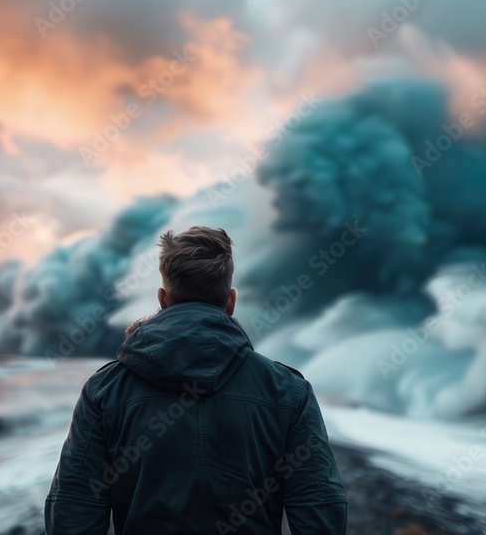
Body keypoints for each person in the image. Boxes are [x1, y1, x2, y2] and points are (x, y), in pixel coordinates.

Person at [45, 226, 347, 534]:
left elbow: (73, 511)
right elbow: (320, 515)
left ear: (163, 299)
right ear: (231, 301)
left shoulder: (105, 390)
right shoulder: (288, 391)